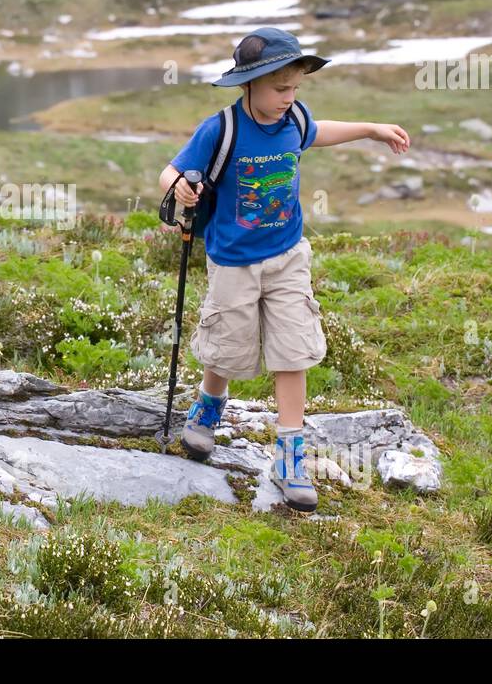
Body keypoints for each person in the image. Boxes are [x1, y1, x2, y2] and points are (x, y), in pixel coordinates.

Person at [159, 26, 410, 512]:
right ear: (248, 83)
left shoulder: (293, 119)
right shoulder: (222, 129)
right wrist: (183, 187)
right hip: (233, 261)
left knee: (293, 348)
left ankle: (289, 450)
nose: (288, 98)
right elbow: (171, 170)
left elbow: (320, 132)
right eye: (279, 89)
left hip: (288, 256)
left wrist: (371, 129)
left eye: (295, 88)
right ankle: (209, 406)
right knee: (227, 347)